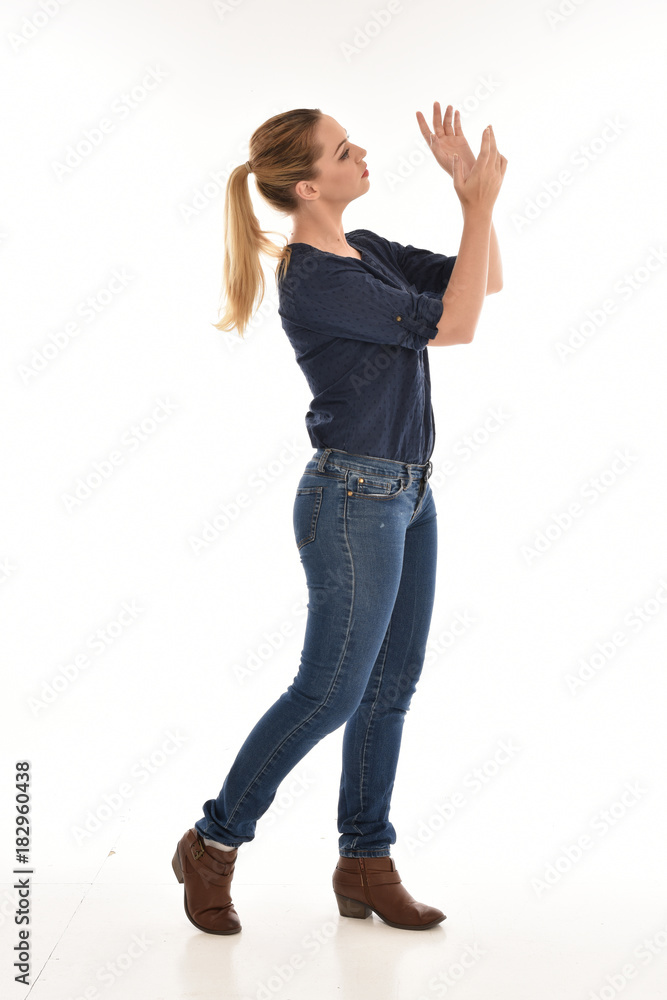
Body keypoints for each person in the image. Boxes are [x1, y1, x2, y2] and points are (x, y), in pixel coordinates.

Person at [172, 104, 507, 935]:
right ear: (308, 184)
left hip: (408, 491)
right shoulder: (319, 279)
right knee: (327, 692)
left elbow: (481, 281)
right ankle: (211, 843)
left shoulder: (365, 251)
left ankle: (365, 859)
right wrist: (475, 207)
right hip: (353, 496)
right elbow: (457, 327)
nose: (364, 155)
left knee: (388, 691)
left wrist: (476, 204)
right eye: (344, 149)